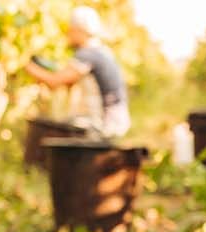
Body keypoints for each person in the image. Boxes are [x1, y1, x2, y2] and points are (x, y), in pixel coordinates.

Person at [24, 6, 131, 139]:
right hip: (116, 120)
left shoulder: (88, 54)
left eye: (71, 30)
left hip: (104, 123)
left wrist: (28, 66)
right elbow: (68, 81)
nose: (68, 34)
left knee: (55, 135)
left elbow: (55, 82)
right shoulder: (102, 51)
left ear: (81, 30)